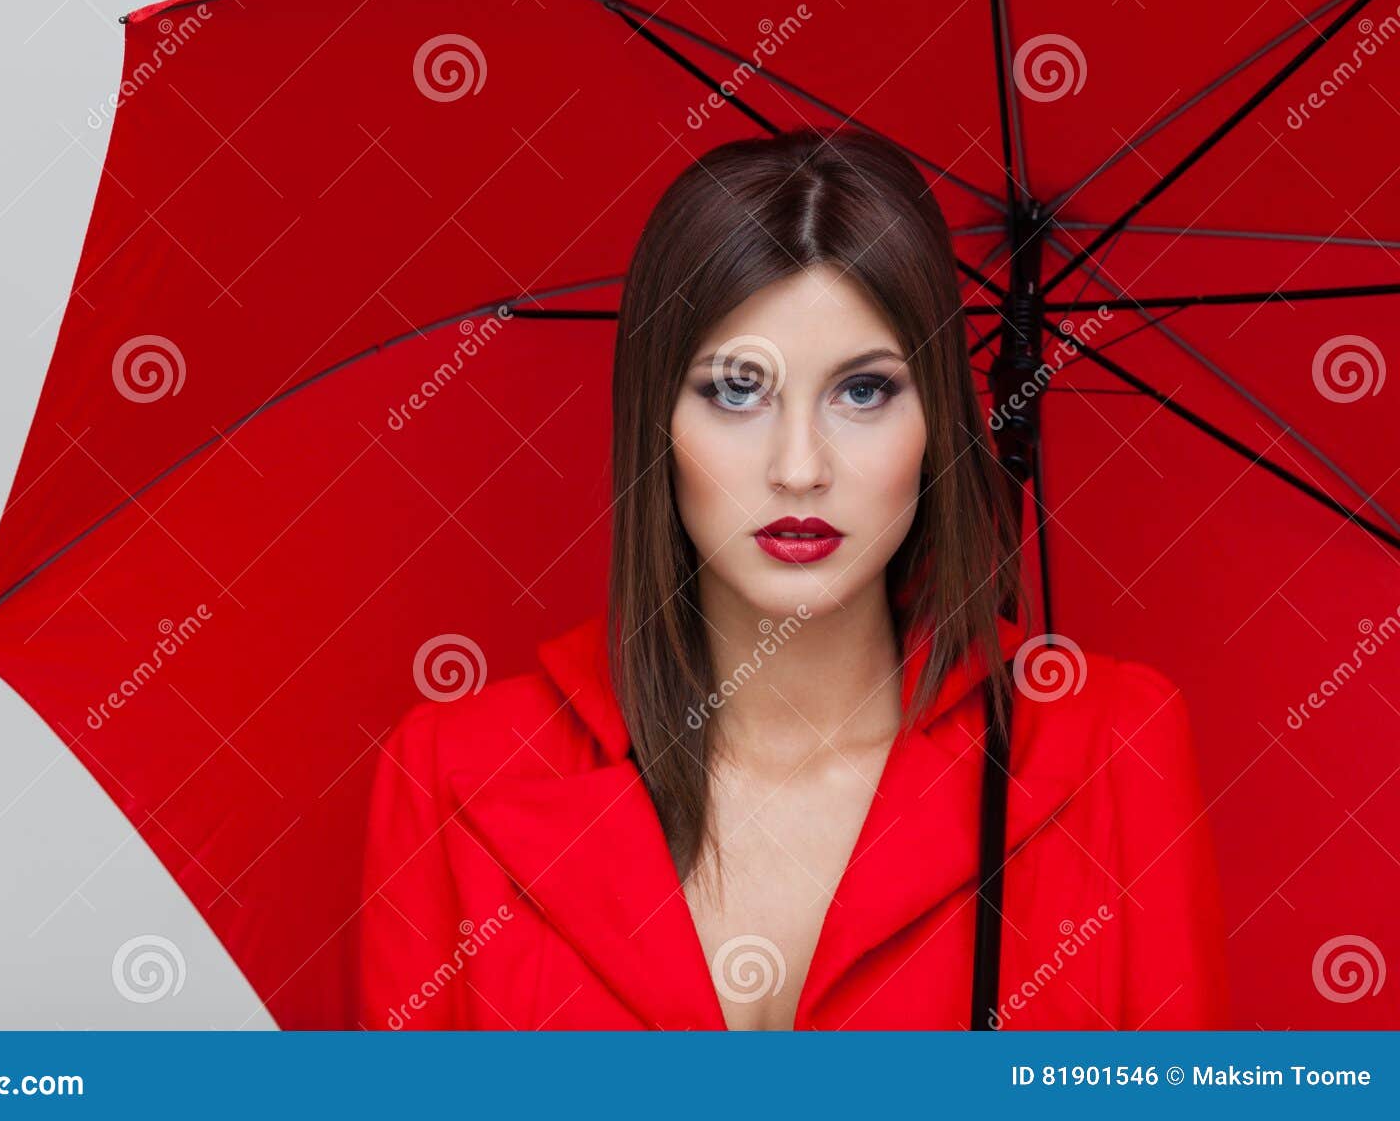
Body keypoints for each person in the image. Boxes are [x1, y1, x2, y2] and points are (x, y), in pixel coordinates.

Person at [354, 126, 1229, 1031]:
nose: (801, 468)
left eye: (863, 391)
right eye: (736, 389)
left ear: (936, 418)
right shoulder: (451, 775)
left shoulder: (1113, 750)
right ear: (655, 418)